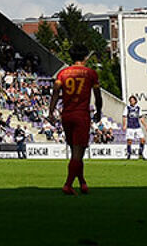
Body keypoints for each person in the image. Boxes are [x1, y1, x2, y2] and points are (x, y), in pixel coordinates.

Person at [48, 45, 101, 195]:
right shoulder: (90, 73)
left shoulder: (62, 73)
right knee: (78, 152)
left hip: (67, 115)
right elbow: (97, 95)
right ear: (85, 58)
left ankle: (83, 183)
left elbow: (55, 93)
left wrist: (51, 112)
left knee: (75, 152)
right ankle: (68, 184)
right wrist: (99, 111)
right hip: (81, 115)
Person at [124, 96, 145, 160]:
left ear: (135, 101)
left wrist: (145, 125)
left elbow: (141, 117)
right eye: (130, 100)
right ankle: (129, 154)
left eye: (133, 100)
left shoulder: (138, 108)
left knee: (142, 140)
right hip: (130, 126)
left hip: (137, 126)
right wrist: (124, 125)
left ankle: (140, 153)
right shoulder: (127, 108)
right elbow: (124, 116)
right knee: (129, 141)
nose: (131, 101)